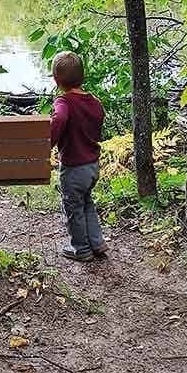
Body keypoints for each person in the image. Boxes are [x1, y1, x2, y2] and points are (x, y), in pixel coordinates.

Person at [50, 51, 107, 263]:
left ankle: (81, 249)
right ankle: (97, 242)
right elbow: (99, 116)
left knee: (73, 207)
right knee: (86, 203)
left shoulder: (64, 102)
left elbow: (60, 118)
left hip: (73, 167)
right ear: (82, 77)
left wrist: (50, 139)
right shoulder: (93, 101)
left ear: (56, 79)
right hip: (92, 165)